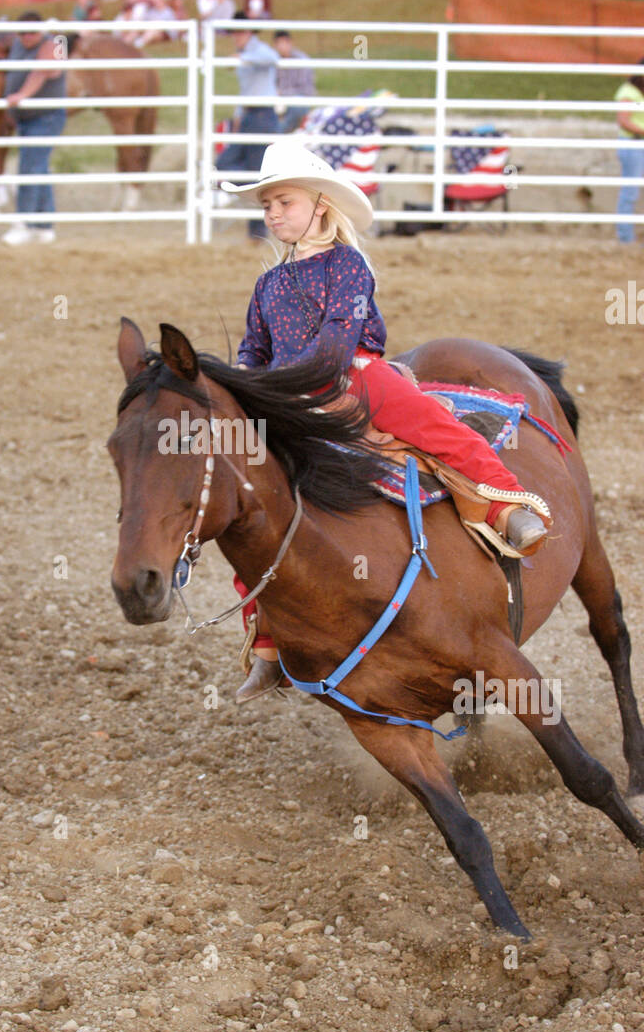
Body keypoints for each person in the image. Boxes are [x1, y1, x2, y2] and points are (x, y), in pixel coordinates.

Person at [220, 141, 551, 701]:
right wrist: (244, 392)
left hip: (353, 376)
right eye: (267, 204)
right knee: (254, 505)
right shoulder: (267, 284)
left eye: (284, 201)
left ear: (321, 205)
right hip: (286, 396)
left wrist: (297, 387)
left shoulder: (346, 265)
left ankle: (505, 501)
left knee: (433, 425)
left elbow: (338, 336)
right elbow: (253, 351)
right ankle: (268, 641)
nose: (273, 213)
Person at [1, 12, 66, 246]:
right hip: (27, 118)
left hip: (45, 116)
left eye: (32, 32)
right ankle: (44, 225)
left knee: (30, 168)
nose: (27, 37)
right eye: (22, 32)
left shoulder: (54, 43)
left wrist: (21, 96)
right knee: (39, 168)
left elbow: (47, 70)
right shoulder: (18, 45)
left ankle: (24, 223)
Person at [215, 12, 279, 239]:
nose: (236, 37)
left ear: (249, 32)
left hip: (262, 117)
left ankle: (258, 231)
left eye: (240, 32)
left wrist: (243, 59)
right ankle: (258, 207)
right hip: (250, 117)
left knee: (253, 172)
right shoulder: (246, 55)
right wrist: (238, 116)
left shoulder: (257, 51)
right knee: (224, 163)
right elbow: (246, 89)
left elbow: (272, 57)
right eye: (235, 32)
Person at [614, 58, 644, 244]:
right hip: (633, 143)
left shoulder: (638, 91)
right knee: (630, 192)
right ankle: (626, 238)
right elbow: (624, 120)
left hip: (638, 142)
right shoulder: (629, 91)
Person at [273, 30, 315, 132]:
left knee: (296, 108)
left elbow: (304, 90)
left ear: (290, 43)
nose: (282, 46)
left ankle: (277, 135)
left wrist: (282, 93)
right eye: (279, 43)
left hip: (298, 99)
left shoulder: (301, 60)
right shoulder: (274, 61)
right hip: (278, 100)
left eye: (284, 43)